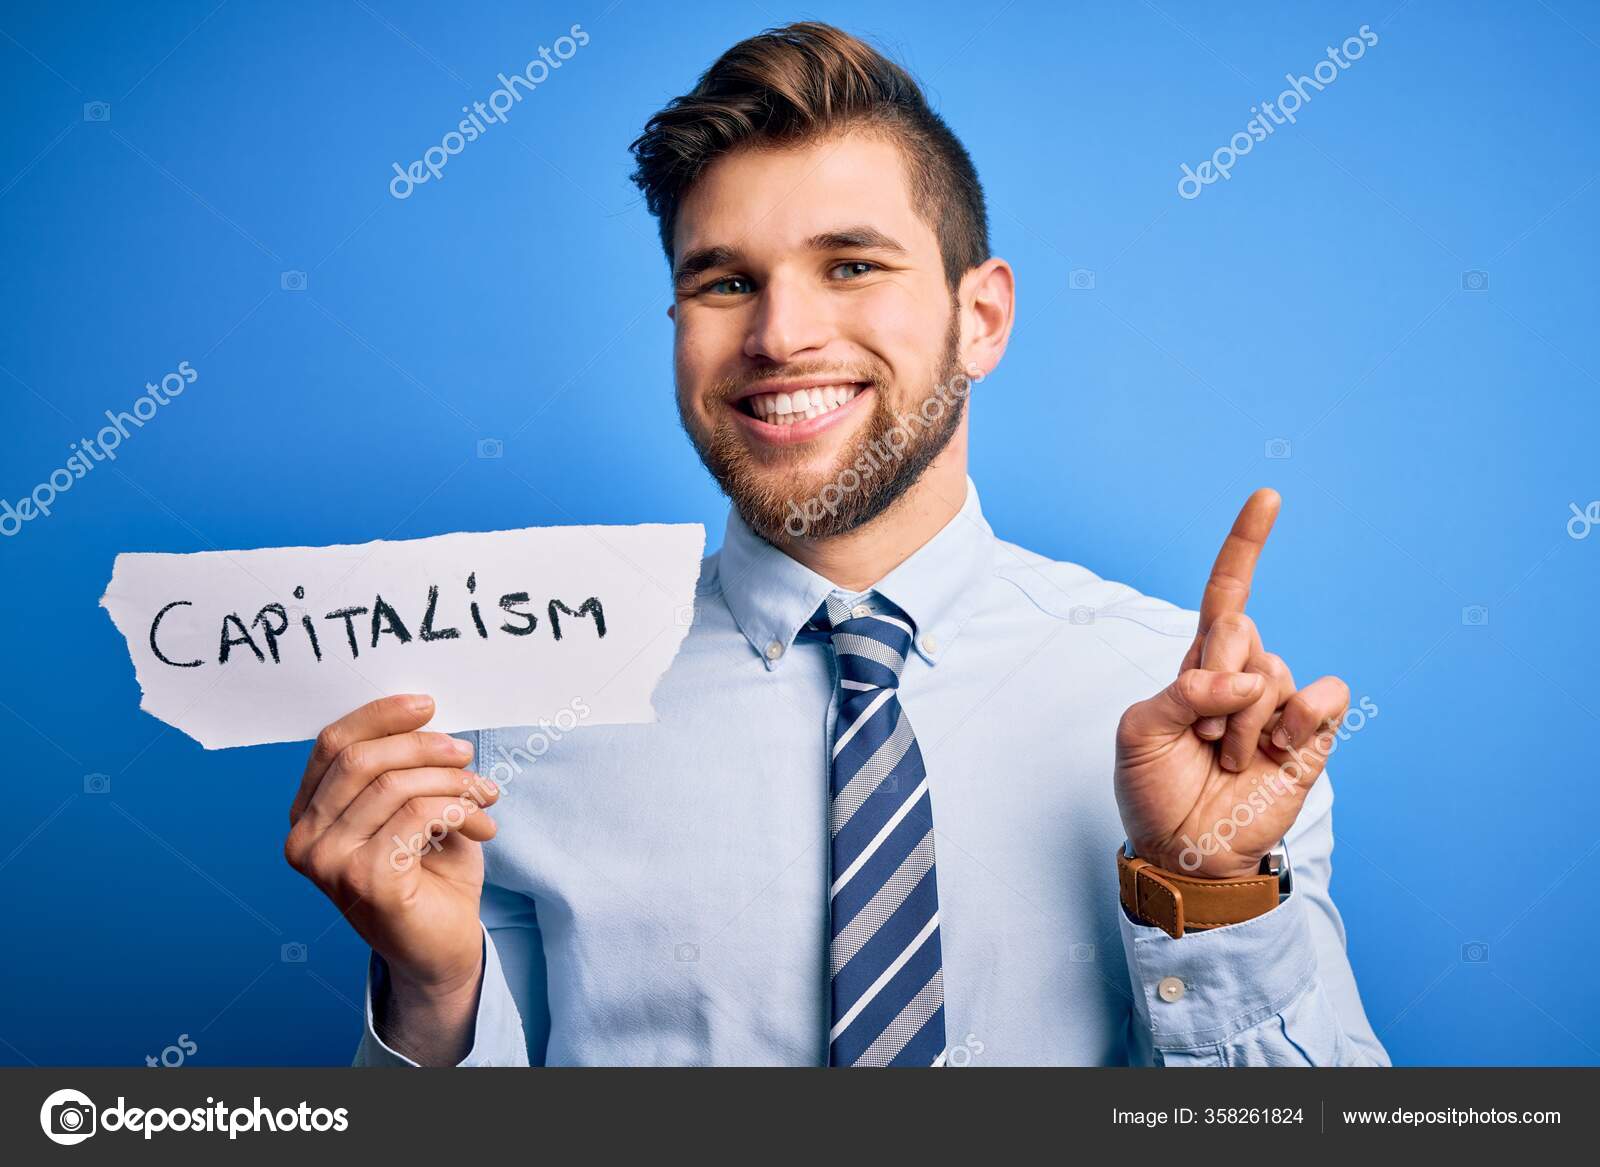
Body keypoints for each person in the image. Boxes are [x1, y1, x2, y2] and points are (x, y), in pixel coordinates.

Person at [284, 21, 1387, 1067]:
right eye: (724, 282)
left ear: (981, 319)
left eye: (851, 265)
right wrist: (428, 1002)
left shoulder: (1190, 714)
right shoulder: (522, 712)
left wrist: (1209, 892)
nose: (780, 335)